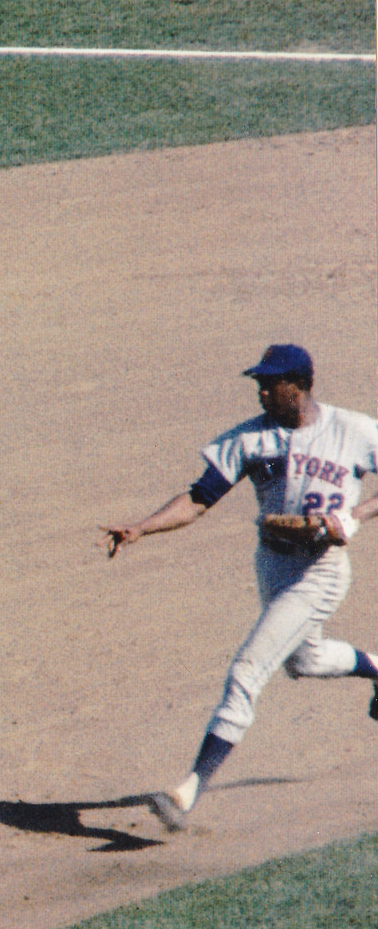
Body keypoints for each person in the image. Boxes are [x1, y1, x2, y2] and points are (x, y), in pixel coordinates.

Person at [101, 344, 378, 828]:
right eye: (259, 384)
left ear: (300, 385)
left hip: (321, 571)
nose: (262, 392)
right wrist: (142, 528)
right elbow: (198, 498)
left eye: (271, 384)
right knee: (304, 661)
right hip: (273, 565)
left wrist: (354, 516)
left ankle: (187, 792)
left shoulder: (353, 430)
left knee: (248, 669)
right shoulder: (249, 439)